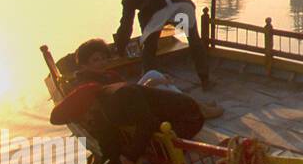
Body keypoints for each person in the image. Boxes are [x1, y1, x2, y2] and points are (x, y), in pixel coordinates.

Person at [51, 81, 208, 164]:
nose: (84, 124)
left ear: (86, 109)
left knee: (163, 160)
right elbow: (109, 145)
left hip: (187, 117)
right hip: (161, 123)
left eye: (80, 119)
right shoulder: (101, 109)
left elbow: (148, 123)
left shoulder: (116, 98)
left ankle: (208, 151)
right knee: (143, 152)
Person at [73, 37, 222, 117]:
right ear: (84, 65)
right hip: (125, 110)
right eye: (95, 60)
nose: (101, 63)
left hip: (129, 97)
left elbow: (127, 88)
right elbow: (124, 95)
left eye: (103, 58)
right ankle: (198, 108)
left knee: (153, 74)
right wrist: (151, 84)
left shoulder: (108, 75)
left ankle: (198, 105)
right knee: (158, 82)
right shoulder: (89, 82)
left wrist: (152, 81)